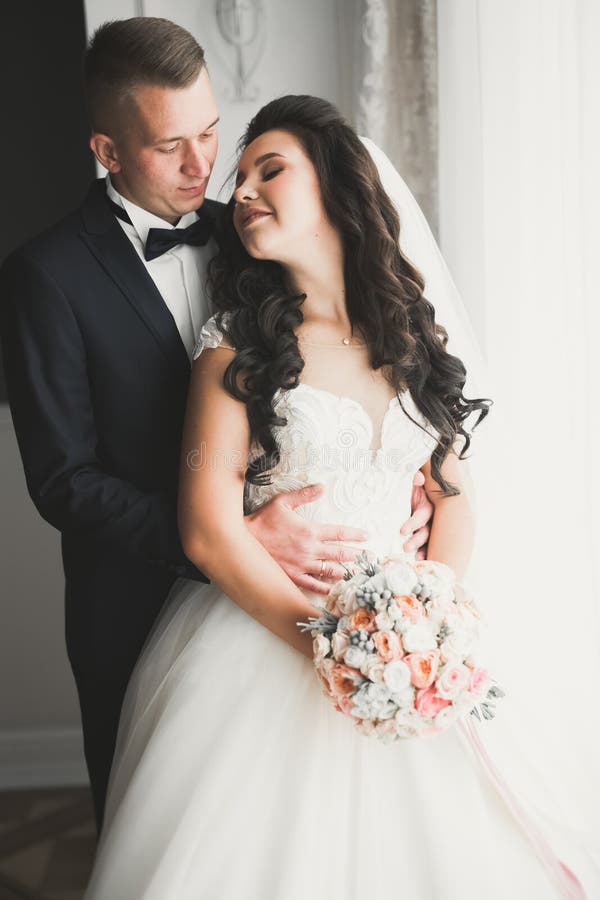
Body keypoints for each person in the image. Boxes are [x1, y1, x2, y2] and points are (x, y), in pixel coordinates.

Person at [83, 96, 585, 899]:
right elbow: (208, 529)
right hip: (270, 634)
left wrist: (427, 625)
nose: (240, 190)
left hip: (411, 649)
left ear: (339, 187)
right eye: (239, 177)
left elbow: (452, 491)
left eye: (269, 169)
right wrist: (336, 648)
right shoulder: (235, 349)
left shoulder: (415, 340)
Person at [0, 17, 431, 831]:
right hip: (134, 601)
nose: (205, 167)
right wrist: (228, 533)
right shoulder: (43, 277)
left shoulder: (257, 225)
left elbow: (350, 357)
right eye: (171, 147)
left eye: (211, 133)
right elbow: (63, 479)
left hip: (302, 592)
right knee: (160, 835)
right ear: (107, 150)